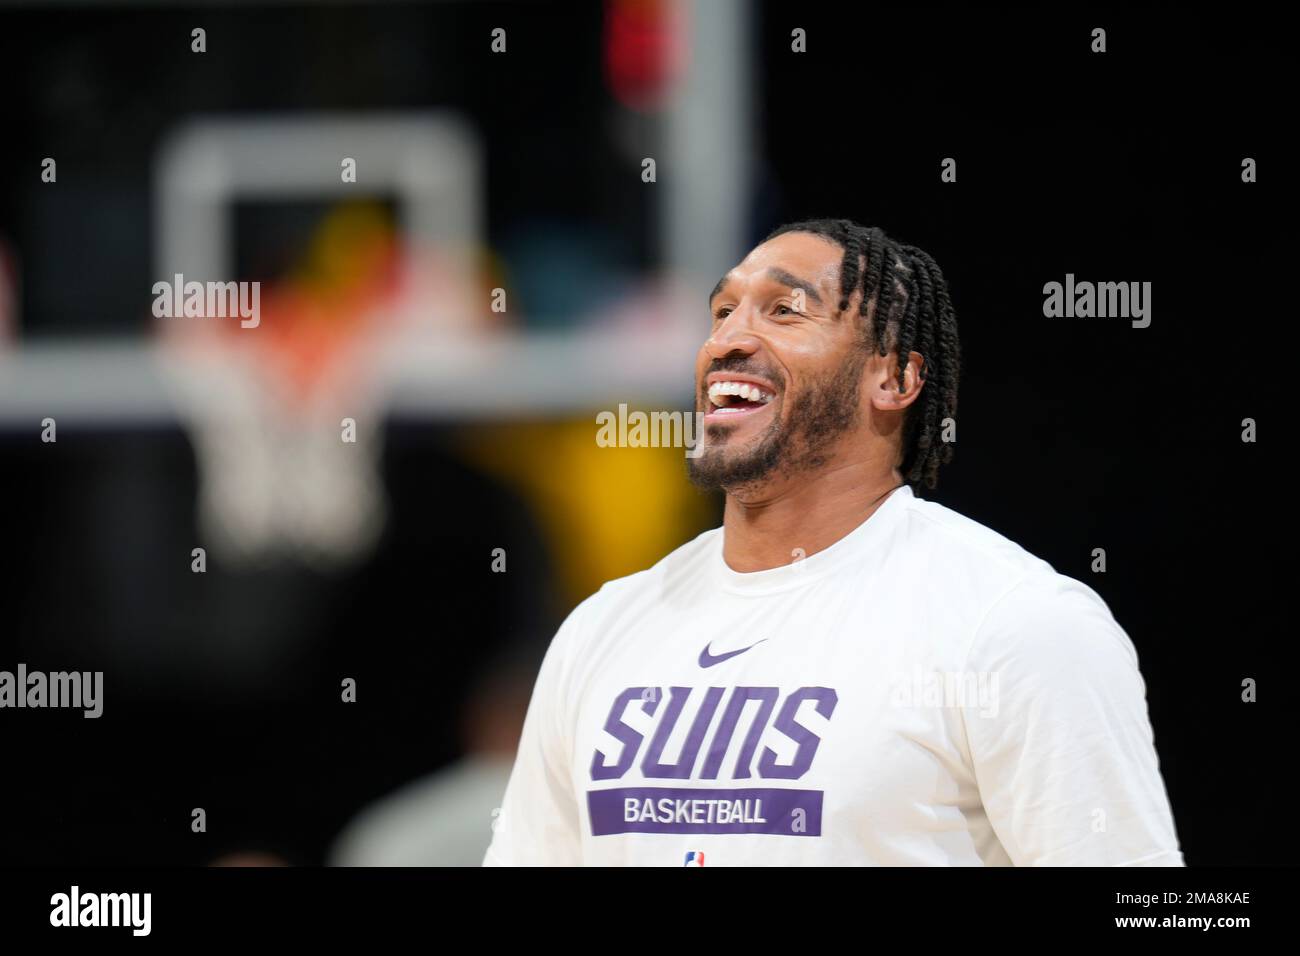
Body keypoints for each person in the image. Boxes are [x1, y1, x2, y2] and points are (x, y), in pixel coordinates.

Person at [483, 218, 1183, 866]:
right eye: (723, 311)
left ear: (896, 377)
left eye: (785, 310)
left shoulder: (1015, 624)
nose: (729, 338)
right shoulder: (604, 629)